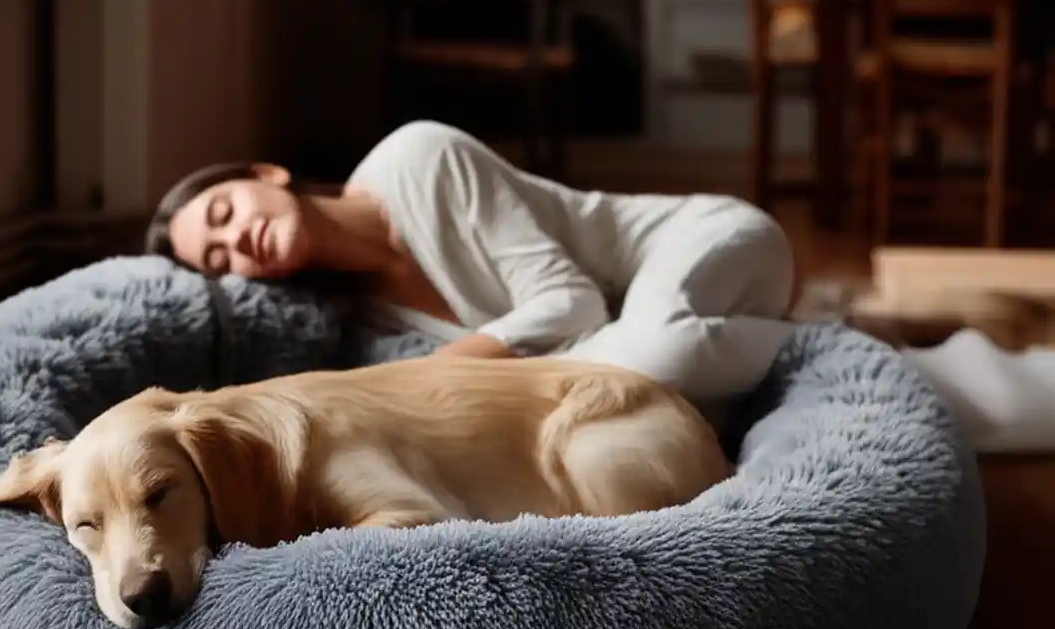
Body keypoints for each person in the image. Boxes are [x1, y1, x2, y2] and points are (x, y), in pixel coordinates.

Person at [146, 121, 795, 409]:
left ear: (267, 173)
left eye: (224, 213)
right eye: (219, 258)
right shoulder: (362, 322)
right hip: (651, 335)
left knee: (658, 356)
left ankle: (809, 345)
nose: (238, 244)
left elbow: (574, 305)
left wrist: (431, 372)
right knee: (637, 376)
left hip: (709, 243)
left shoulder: (419, 157)